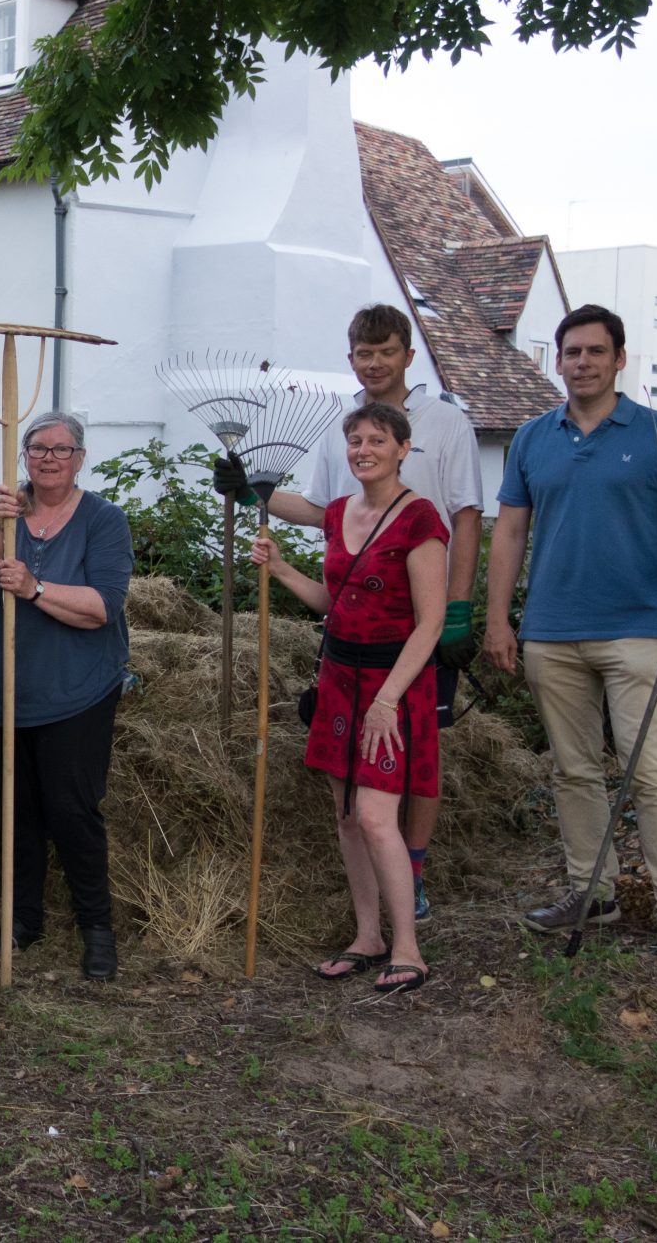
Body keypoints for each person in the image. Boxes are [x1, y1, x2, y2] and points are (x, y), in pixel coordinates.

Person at [486, 305, 657, 971]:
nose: (582, 362)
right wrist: (500, 619)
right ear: (556, 361)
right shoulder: (532, 438)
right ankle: (593, 893)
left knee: (653, 770)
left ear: (620, 359)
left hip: (639, 629)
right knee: (574, 770)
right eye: (571, 352)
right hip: (552, 632)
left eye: (595, 351)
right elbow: (509, 533)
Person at [244, 304, 483, 923]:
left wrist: (457, 608)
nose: (374, 363)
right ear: (351, 359)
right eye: (362, 354)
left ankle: (415, 870)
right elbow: (326, 508)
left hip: (417, 619)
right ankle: (377, 912)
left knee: (418, 752)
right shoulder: (342, 425)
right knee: (359, 795)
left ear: (408, 354)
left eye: (386, 351)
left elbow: (464, 514)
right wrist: (257, 489)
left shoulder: (447, 422)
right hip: (354, 639)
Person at [252, 403, 447, 994]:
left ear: (403, 448)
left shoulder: (420, 521)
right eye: (355, 440)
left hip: (394, 685)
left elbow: (430, 623)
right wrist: (282, 568)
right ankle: (368, 937)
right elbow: (331, 604)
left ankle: (409, 948)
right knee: (347, 820)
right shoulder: (339, 515)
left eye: (377, 440)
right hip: (339, 677)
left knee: (375, 817)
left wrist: (388, 700)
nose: (364, 449)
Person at [0, 411, 133, 981]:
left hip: (74, 696)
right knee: (16, 813)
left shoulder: (103, 521)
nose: (49, 458)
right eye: (38, 448)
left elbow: (103, 608)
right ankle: (22, 922)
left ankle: (96, 929)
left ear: (80, 457)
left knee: (72, 812)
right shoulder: (1, 512)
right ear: (23, 456)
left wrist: (34, 588)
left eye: (62, 449)